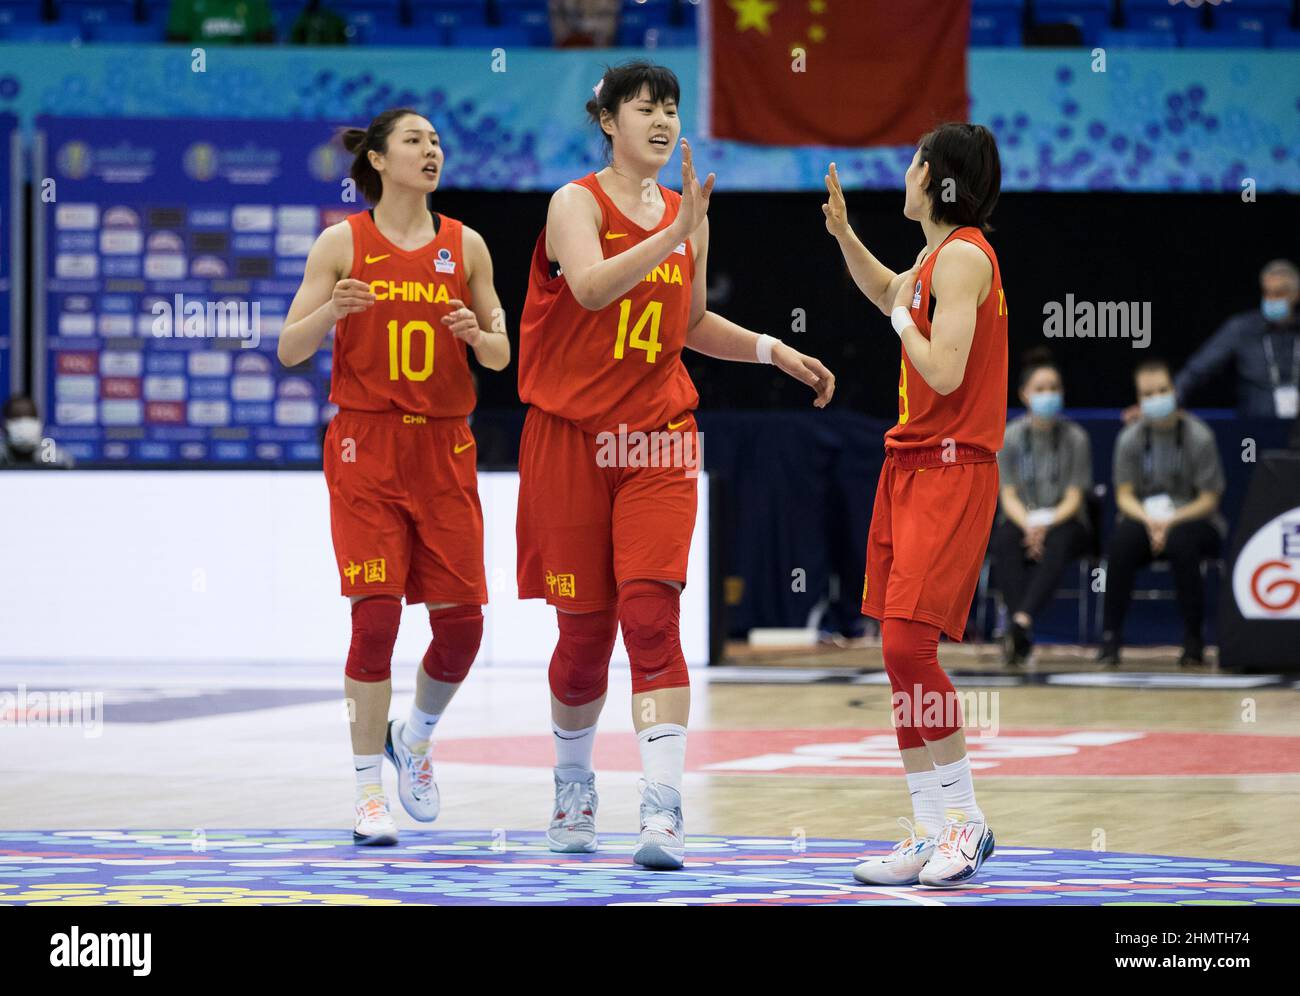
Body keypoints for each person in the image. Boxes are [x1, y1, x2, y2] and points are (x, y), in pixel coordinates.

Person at [517, 60, 835, 870]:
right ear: (608, 121)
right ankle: (573, 784)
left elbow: (686, 321)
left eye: (671, 108)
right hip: (568, 441)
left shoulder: (685, 213)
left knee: (650, 615)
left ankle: (662, 809)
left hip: (657, 438)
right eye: (645, 108)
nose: (662, 121)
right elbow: (589, 289)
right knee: (583, 638)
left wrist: (771, 349)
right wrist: (674, 229)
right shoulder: (573, 204)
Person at [278, 108, 509, 846]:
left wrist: (482, 337)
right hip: (365, 448)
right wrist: (329, 315)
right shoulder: (342, 243)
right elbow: (288, 348)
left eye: (437, 141)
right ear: (379, 159)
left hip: (444, 449)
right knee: (373, 618)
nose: (431, 150)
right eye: (416, 140)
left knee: (464, 628)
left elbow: (505, 353)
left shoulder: (465, 244)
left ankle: (416, 735)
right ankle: (365, 794)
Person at [822, 123, 1006, 887]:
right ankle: (931, 831)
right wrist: (843, 233)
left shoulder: (963, 256)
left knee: (909, 651)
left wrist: (902, 316)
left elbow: (946, 368)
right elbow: (888, 292)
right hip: (910, 466)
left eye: (910, 164)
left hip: (953, 466)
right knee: (898, 658)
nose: (903, 174)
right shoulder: (934, 258)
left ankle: (967, 821)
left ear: (933, 174)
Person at [1100, 358, 1226, 668]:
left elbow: (1210, 498)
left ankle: (1194, 641)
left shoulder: (1199, 436)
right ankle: (1110, 639)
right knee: (1123, 541)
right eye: (1148, 394)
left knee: (1182, 542)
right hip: (1146, 519)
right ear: (1139, 399)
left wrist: (1171, 521)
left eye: (1163, 390)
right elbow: (1124, 495)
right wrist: (1150, 520)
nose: (1157, 398)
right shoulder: (1129, 438)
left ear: (1175, 390)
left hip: (1193, 520)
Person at [990, 348, 1092, 665]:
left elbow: (1075, 498)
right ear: (1024, 394)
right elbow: (1008, 495)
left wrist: (1044, 526)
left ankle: (1019, 623)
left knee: (1059, 540)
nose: (1049, 395)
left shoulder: (1076, 438)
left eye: (1054, 388)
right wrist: (1030, 525)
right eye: (1041, 389)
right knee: (1005, 539)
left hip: (1065, 521)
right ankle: (1022, 630)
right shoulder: (1009, 436)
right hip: (1024, 520)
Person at [1168, 259, 1300, 419]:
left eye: (1278, 293)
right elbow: (1197, 370)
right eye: (1266, 292)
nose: (1271, 299)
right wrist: (1169, 400)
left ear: (1296, 295)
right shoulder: (1242, 328)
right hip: (1256, 429)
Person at [0, 396, 74, 469]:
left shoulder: (57, 457)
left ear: (38, 421)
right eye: (16, 417)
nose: (24, 422)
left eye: (30, 416)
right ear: (4, 424)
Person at [165, 0, 275, 43]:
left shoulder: (256, 3)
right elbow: (176, 48)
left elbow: (266, 45)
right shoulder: (184, 2)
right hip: (199, 68)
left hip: (244, 71)